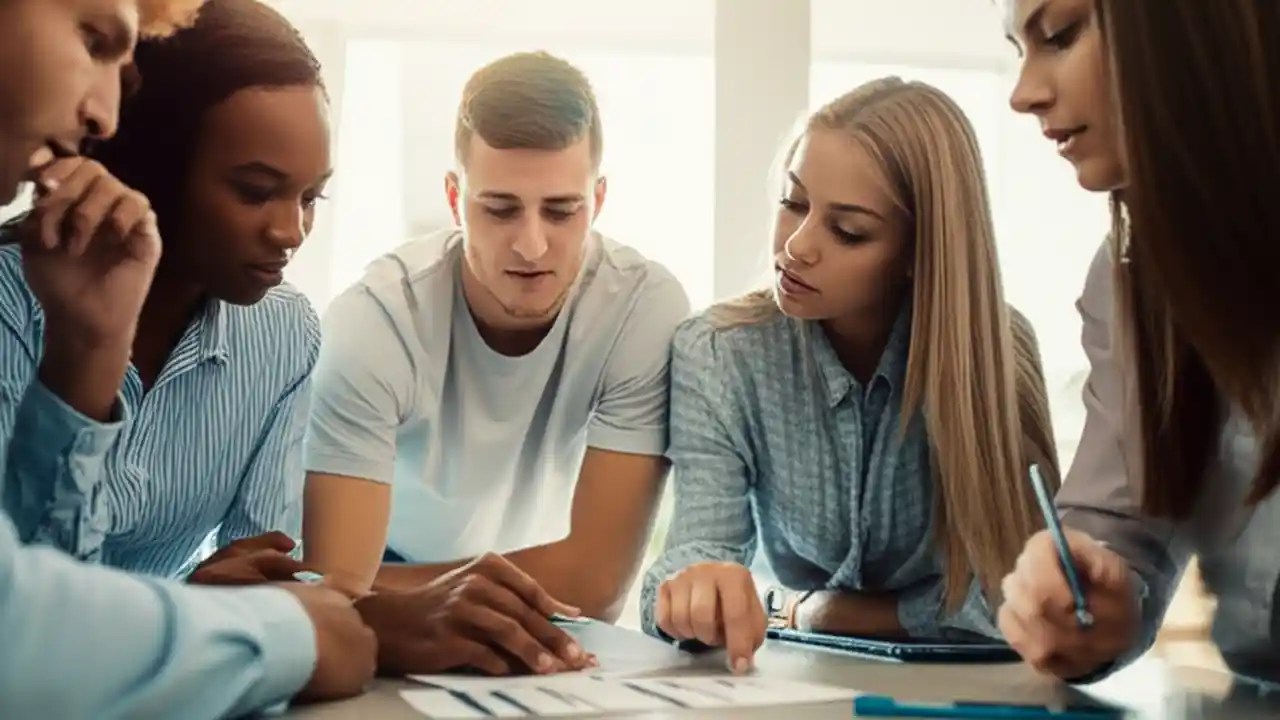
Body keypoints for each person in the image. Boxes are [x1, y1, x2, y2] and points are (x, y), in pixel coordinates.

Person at [0, 0, 375, 717]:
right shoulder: (14, 304)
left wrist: (220, 617)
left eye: (312, 196)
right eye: (256, 191)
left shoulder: (286, 331)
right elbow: (28, 626)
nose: (291, 231)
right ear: (158, 167)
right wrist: (199, 613)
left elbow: (266, 572)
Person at [641, 77, 1061, 673]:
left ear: (921, 253)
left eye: (849, 231)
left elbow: (1028, 599)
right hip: (789, 685)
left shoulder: (996, 349)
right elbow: (690, 560)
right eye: (793, 202)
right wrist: (691, 596)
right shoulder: (717, 350)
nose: (797, 246)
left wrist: (812, 612)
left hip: (975, 695)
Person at [301, 50, 691, 665]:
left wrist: (392, 595)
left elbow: (597, 585)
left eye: (563, 211)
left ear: (601, 198)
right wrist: (378, 595)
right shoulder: (374, 321)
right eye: (500, 208)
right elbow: (333, 590)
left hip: (523, 599)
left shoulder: (644, 306)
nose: (532, 244)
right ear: (456, 199)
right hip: (413, 581)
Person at [1000, 0, 1280, 683]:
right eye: (1018, 51)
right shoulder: (1130, 279)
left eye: (1060, 35)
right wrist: (1085, 596)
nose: (1022, 94)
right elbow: (1118, 534)